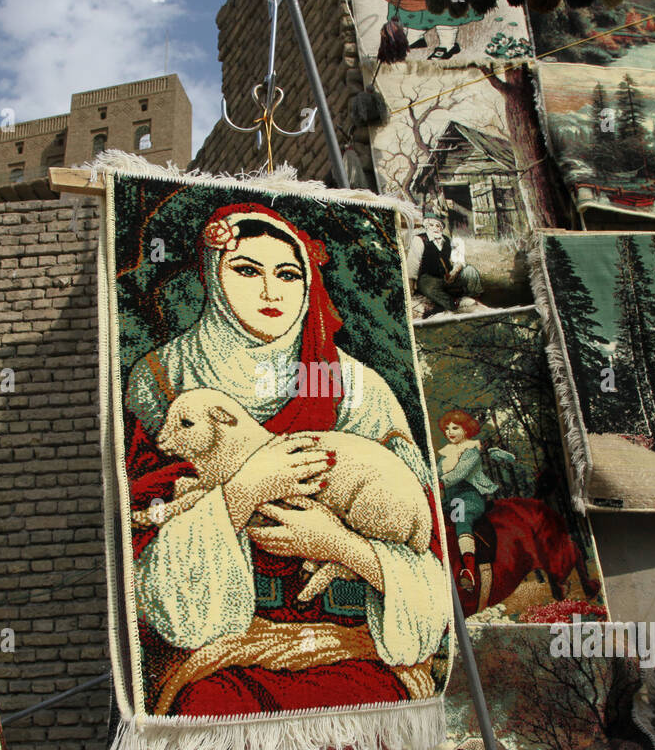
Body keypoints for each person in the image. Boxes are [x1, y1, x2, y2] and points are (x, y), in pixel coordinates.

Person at [123, 201, 447, 718]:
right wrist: (243, 491)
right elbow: (140, 542)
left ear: (308, 286)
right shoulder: (162, 379)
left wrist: (339, 544)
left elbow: (423, 545)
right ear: (212, 274)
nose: (271, 292)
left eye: (289, 274)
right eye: (247, 270)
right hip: (219, 650)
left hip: (356, 639)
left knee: (376, 710)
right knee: (208, 710)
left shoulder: (358, 388)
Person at [436, 410, 498, 594]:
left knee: (460, 516)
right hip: (449, 498)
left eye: (455, 428)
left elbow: (459, 474)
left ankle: (469, 570)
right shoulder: (445, 454)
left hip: (469, 497)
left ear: (466, 429)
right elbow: (436, 472)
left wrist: (439, 482)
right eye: (447, 429)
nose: (450, 432)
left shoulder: (471, 451)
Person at [406, 213, 481, 315]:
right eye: (431, 225)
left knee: (471, 271)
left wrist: (454, 273)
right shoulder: (419, 240)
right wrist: (410, 291)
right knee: (429, 286)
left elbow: (458, 260)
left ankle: (474, 298)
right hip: (429, 278)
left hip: (448, 277)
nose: (435, 228)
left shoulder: (447, 240)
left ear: (441, 228)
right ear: (426, 227)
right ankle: (453, 305)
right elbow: (412, 266)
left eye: (438, 226)